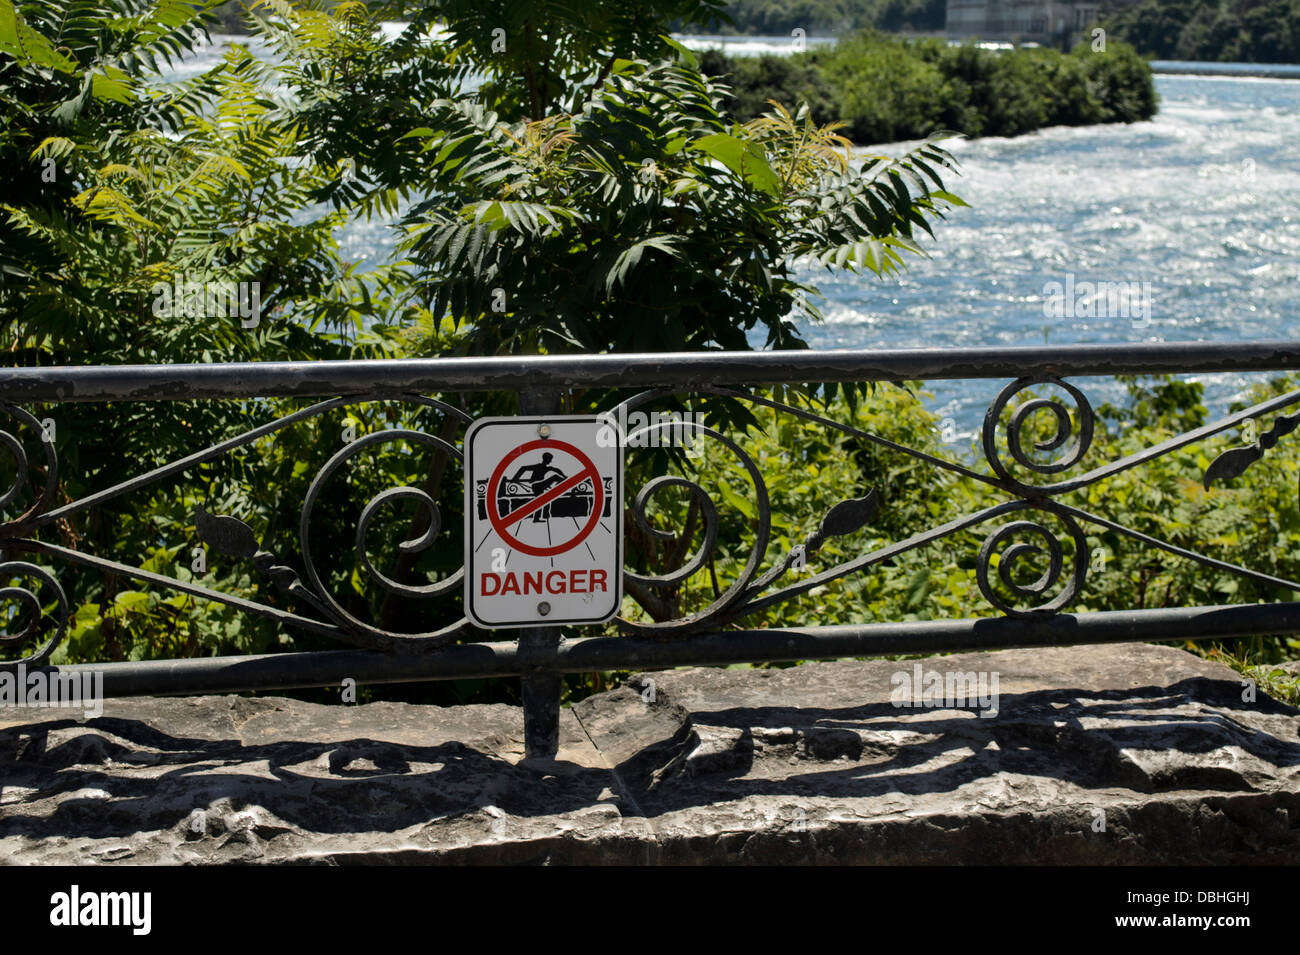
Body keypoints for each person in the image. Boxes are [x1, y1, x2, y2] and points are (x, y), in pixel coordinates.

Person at [509, 453, 566, 522]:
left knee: (540, 501)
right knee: (555, 477)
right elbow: (523, 468)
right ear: (546, 459)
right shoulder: (538, 466)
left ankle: (537, 518)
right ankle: (539, 517)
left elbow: (556, 470)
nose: (550, 461)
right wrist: (515, 478)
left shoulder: (546, 468)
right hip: (537, 485)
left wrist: (564, 475)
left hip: (539, 486)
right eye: (550, 459)